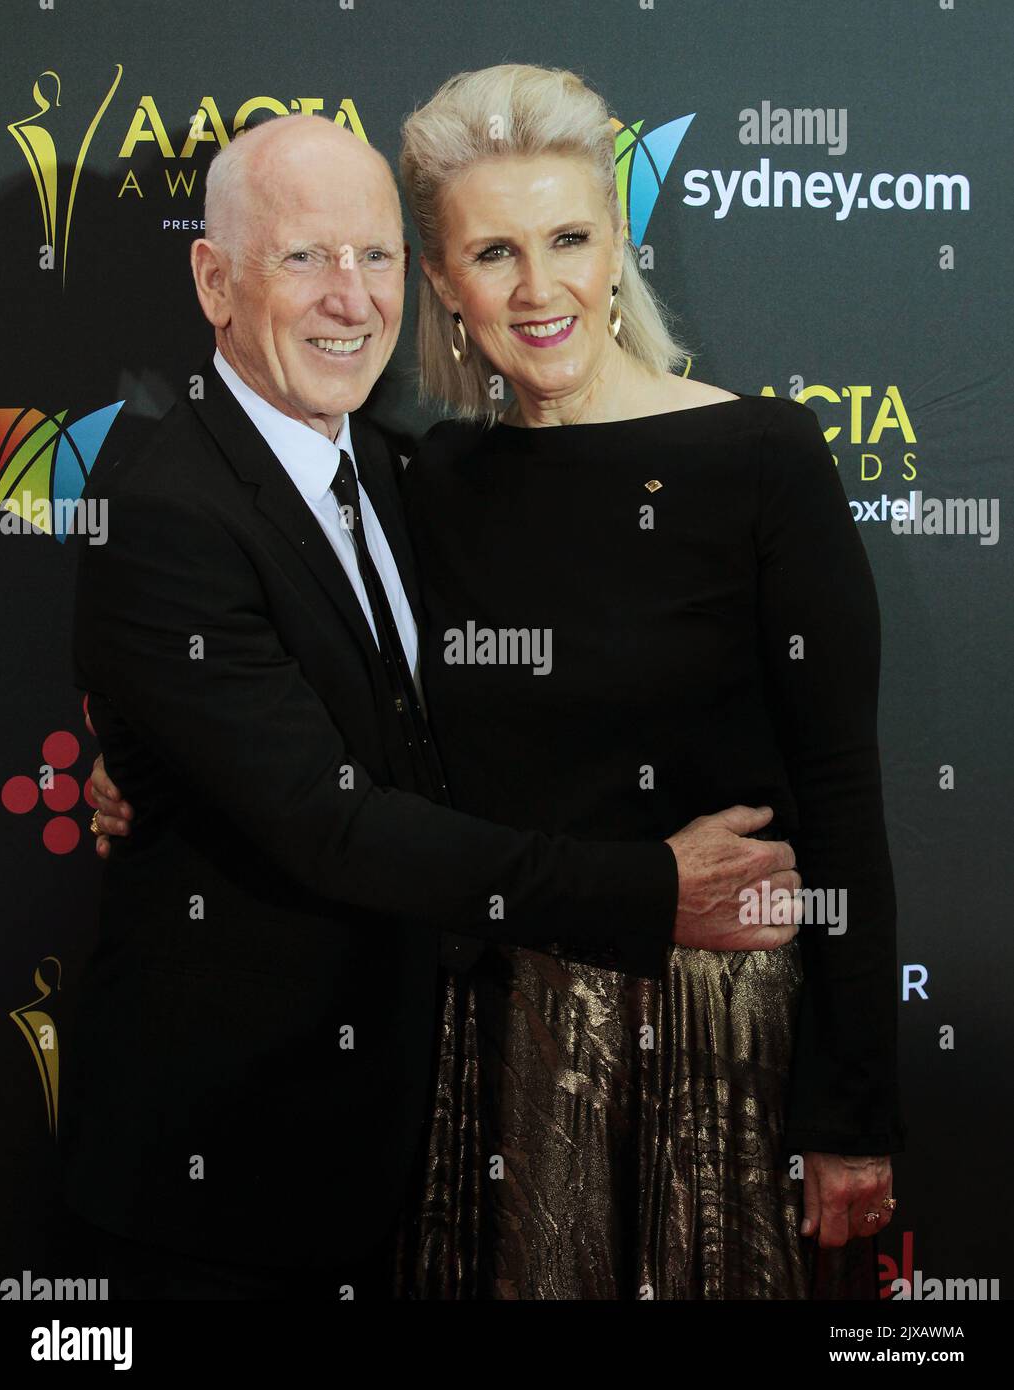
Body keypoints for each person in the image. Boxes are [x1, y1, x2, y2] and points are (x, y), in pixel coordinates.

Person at [67, 111, 799, 1300]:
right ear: (214, 279)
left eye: (376, 258)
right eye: (304, 258)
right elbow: (332, 821)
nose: (349, 299)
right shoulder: (165, 512)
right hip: (220, 1171)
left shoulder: (396, 470)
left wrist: (144, 754)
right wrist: (656, 889)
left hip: (405, 1142)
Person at [389, 62, 903, 1298]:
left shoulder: (761, 454)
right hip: (504, 1053)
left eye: (568, 236)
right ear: (444, 286)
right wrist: (143, 779)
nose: (537, 285)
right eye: (493, 252)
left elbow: (841, 796)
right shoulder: (425, 487)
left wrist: (853, 1113)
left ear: (618, 243)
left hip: (727, 1048)